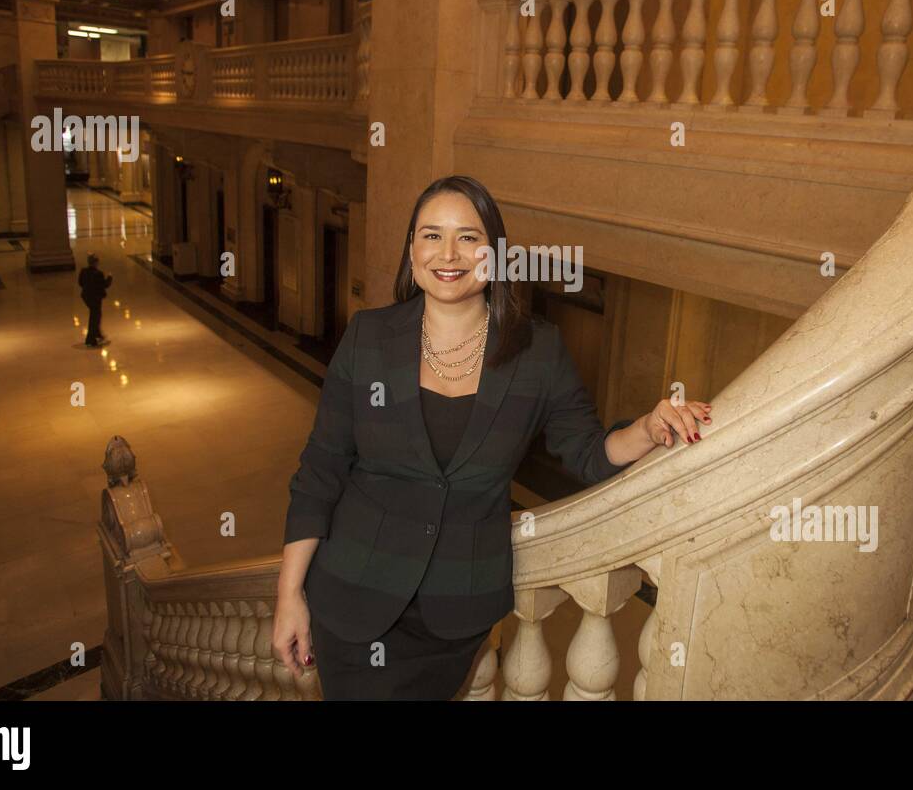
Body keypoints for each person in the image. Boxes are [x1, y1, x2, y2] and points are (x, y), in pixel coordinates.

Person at [272, 175, 711, 700]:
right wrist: (289, 593)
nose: (448, 253)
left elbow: (589, 453)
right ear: (411, 251)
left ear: (496, 254)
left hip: (455, 610)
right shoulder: (369, 337)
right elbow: (321, 470)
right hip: (352, 597)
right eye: (431, 235)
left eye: (469, 237)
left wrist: (647, 428)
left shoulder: (538, 352)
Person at [78, 253, 113, 347]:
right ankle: (90, 338)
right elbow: (105, 285)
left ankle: (97, 333)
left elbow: (80, 283)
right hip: (95, 298)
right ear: (96, 263)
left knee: (96, 314)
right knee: (95, 316)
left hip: (86, 296)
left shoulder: (83, 271)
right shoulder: (98, 274)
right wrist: (110, 278)